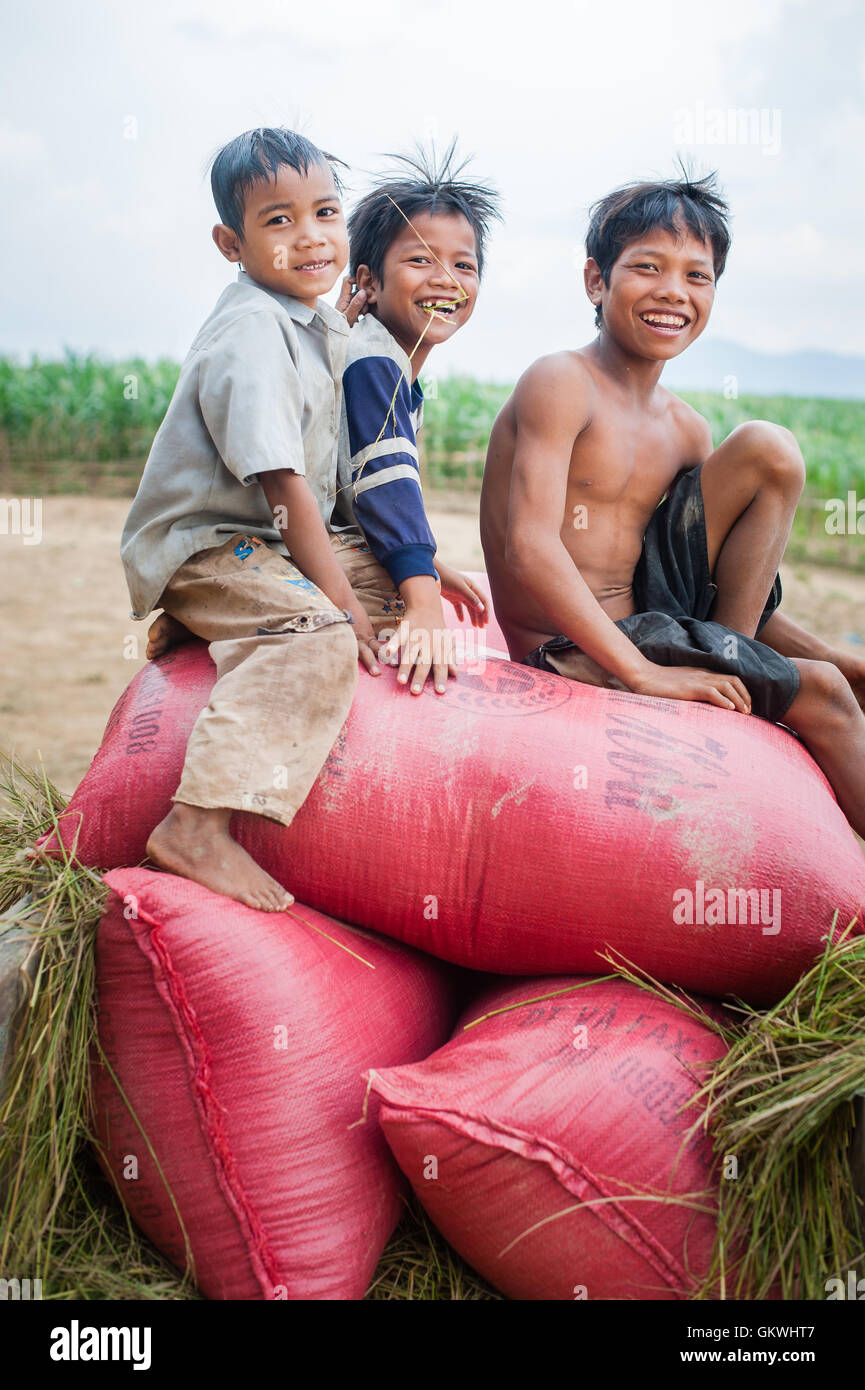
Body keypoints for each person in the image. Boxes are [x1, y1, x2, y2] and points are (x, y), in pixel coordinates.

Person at [481, 170, 865, 837]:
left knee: (767, 448)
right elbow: (530, 544)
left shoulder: (686, 429)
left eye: (697, 275)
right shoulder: (561, 381)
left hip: (657, 626)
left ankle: (734, 658)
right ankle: (743, 671)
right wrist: (639, 673)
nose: (672, 292)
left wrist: (833, 653)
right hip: (568, 648)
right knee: (826, 697)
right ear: (595, 282)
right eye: (647, 267)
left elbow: (709, 577)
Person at [121, 126, 374, 912]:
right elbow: (284, 485)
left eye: (326, 212)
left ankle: (212, 628)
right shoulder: (250, 328)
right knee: (319, 635)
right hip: (212, 545)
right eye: (278, 220)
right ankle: (195, 826)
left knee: (401, 584)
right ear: (230, 242)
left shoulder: (310, 323)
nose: (310, 236)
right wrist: (341, 602)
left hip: (266, 544)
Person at [330, 140, 502, 693]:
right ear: (369, 281)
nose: (446, 279)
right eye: (420, 259)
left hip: (332, 533)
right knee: (402, 632)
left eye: (463, 265)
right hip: (302, 543)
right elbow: (386, 484)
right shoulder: (373, 356)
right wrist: (421, 597)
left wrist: (430, 565)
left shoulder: (392, 363)